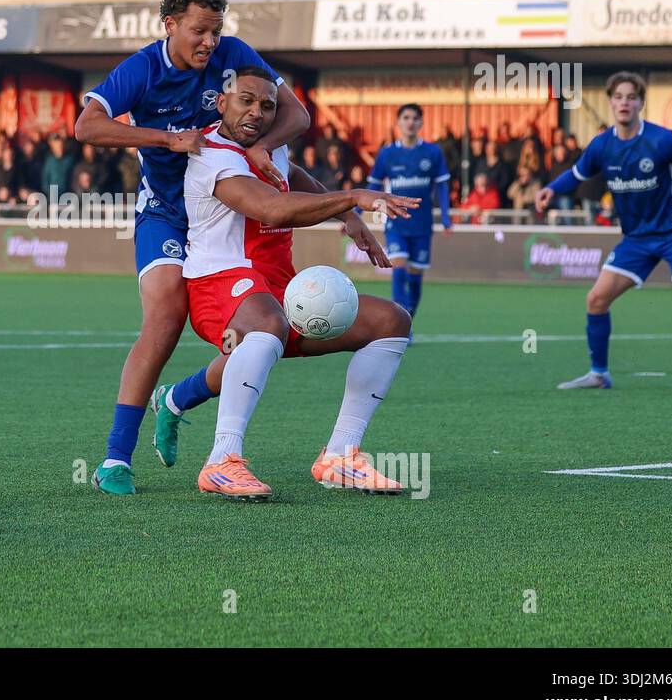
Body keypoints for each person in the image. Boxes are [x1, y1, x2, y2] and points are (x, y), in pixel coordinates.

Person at [76, 0, 334, 496]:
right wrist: (164, 138)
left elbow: (296, 115)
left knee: (261, 332)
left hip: (229, 214)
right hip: (170, 214)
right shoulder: (144, 69)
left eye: (215, 31)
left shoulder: (234, 55)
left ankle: (178, 400)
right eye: (199, 31)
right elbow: (87, 126)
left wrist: (267, 147)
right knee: (167, 315)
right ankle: (116, 458)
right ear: (170, 25)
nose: (209, 43)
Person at [148, 69, 417, 496]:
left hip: (278, 288)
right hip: (217, 285)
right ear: (221, 103)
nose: (257, 112)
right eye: (246, 101)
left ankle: (340, 456)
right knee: (265, 326)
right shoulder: (210, 154)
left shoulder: (268, 148)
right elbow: (273, 208)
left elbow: (290, 175)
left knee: (391, 321)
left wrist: (346, 217)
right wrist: (351, 197)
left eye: (268, 105)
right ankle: (222, 461)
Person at [537, 71, 672, 394]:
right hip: (636, 240)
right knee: (596, 299)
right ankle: (599, 373)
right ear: (611, 102)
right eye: (618, 97)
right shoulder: (602, 146)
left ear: (641, 102)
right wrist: (551, 189)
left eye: (631, 97)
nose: (624, 102)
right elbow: (575, 175)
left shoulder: (662, 140)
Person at [366, 103, 452, 322]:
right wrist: (355, 212)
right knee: (399, 266)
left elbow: (442, 186)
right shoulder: (387, 154)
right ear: (399, 123)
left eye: (415, 118)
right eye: (406, 117)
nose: (410, 122)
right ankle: (399, 321)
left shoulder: (433, 152)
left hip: (422, 225)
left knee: (415, 275)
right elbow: (373, 186)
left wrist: (446, 217)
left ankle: (409, 316)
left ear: (421, 122)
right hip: (396, 222)